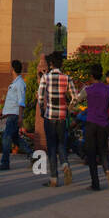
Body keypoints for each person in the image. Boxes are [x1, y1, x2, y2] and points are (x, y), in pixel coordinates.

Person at [37, 51, 78, 188]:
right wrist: (68, 108)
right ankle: (65, 164)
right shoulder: (67, 78)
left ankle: (54, 178)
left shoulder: (46, 78)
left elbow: (40, 97)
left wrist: (43, 109)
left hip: (49, 116)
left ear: (51, 63)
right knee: (61, 144)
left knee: (52, 147)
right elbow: (75, 97)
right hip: (62, 116)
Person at [76, 64, 109, 190]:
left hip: (91, 124)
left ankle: (95, 183)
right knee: (104, 151)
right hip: (103, 124)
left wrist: (72, 107)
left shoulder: (88, 89)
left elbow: (76, 100)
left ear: (92, 76)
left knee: (91, 154)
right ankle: (107, 170)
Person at [0, 59, 28, 171]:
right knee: (16, 139)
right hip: (11, 114)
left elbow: (21, 101)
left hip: (14, 115)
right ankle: (33, 156)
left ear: (12, 69)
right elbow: (10, 100)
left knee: (6, 138)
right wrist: (2, 112)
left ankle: (5, 162)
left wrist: (20, 117)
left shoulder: (19, 84)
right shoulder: (15, 83)